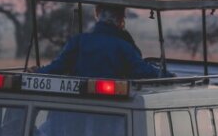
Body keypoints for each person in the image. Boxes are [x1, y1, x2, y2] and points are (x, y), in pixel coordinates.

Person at [36, 4, 168, 79]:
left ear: (97, 13)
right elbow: (142, 70)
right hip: (114, 109)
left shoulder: (78, 41)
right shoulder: (124, 47)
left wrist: (37, 73)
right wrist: (167, 75)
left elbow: (57, 67)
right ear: (121, 17)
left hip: (79, 108)